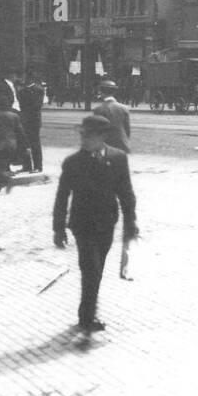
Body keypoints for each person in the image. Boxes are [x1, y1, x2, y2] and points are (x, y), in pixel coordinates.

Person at [53, 116, 139, 334]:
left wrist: (131, 222)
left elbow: (125, 192)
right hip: (82, 224)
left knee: (97, 269)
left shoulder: (118, 158)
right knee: (90, 268)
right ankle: (87, 317)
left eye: (88, 136)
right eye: (82, 135)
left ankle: (88, 312)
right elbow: (62, 196)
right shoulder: (72, 162)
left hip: (107, 222)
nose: (84, 139)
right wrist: (58, 227)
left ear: (102, 137)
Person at [91, 79, 132, 152]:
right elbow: (127, 130)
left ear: (101, 92)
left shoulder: (98, 109)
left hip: (106, 147)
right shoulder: (124, 108)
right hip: (123, 146)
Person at [17, 72, 46, 172]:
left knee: (35, 144)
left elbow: (37, 106)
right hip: (26, 119)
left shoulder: (38, 90)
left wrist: (25, 112)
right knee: (24, 143)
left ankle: (38, 166)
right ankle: (27, 166)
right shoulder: (21, 91)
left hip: (33, 120)